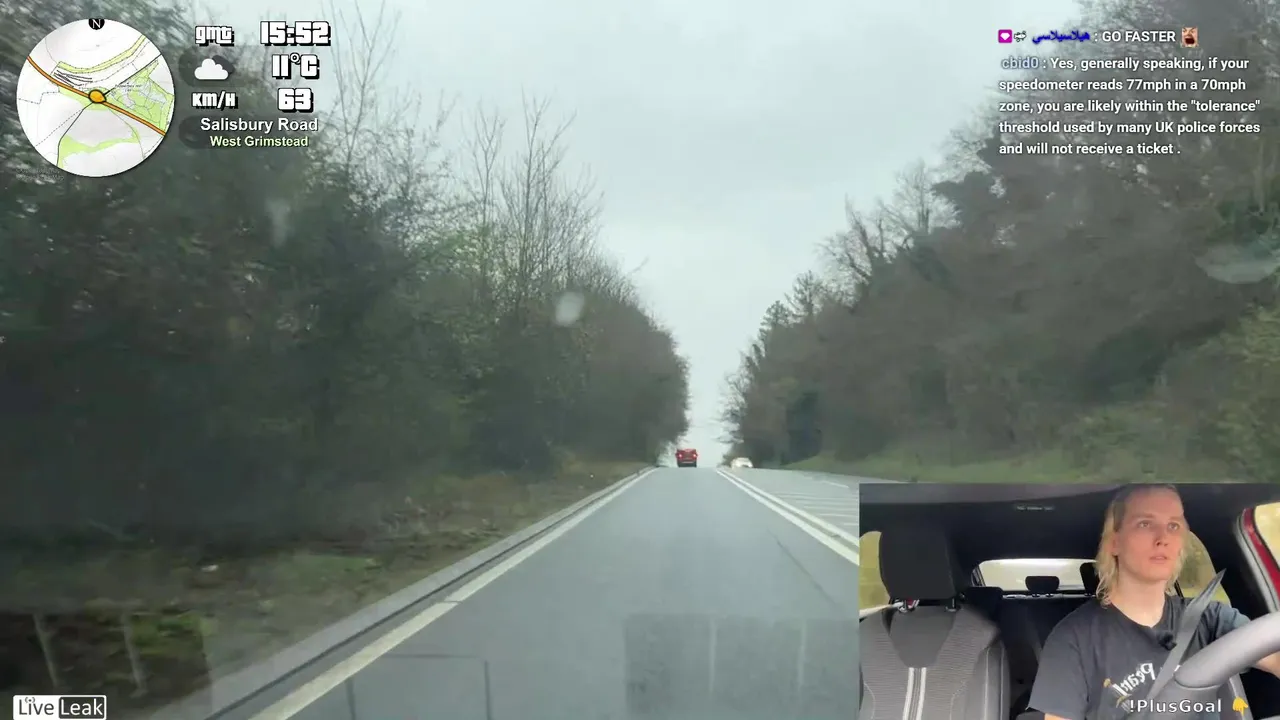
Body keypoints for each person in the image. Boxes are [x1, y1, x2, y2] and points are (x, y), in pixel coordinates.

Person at [1029, 484, 1280, 720]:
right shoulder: (1072, 639)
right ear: (1115, 542)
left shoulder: (1212, 618)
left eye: (1173, 525)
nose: (1163, 538)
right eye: (1145, 524)